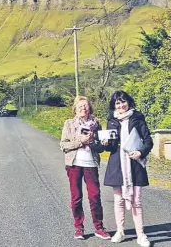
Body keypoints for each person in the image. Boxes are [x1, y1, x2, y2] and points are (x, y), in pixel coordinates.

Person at [100, 91, 153, 247]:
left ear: (129, 102)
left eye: (123, 102)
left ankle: (141, 234)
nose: (121, 105)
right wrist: (105, 143)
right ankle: (120, 231)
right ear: (114, 105)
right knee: (118, 200)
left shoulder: (138, 118)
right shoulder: (111, 120)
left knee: (136, 200)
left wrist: (141, 152)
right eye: (117, 103)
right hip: (117, 164)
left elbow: (148, 141)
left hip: (134, 163)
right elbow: (110, 147)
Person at [59, 96, 111, 240]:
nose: (83, 108)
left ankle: (99, 228)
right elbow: (63, 145)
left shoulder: (96, 124)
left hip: (91, 164)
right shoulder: (69, 124)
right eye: (80, 106)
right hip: (74, 164)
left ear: (90, 108)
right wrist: (80, 142)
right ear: (75, 109)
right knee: (76, 197)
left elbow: (100, 148)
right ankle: (79, 228)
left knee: (95, 196)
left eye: (86, 105)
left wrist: (103, 143)